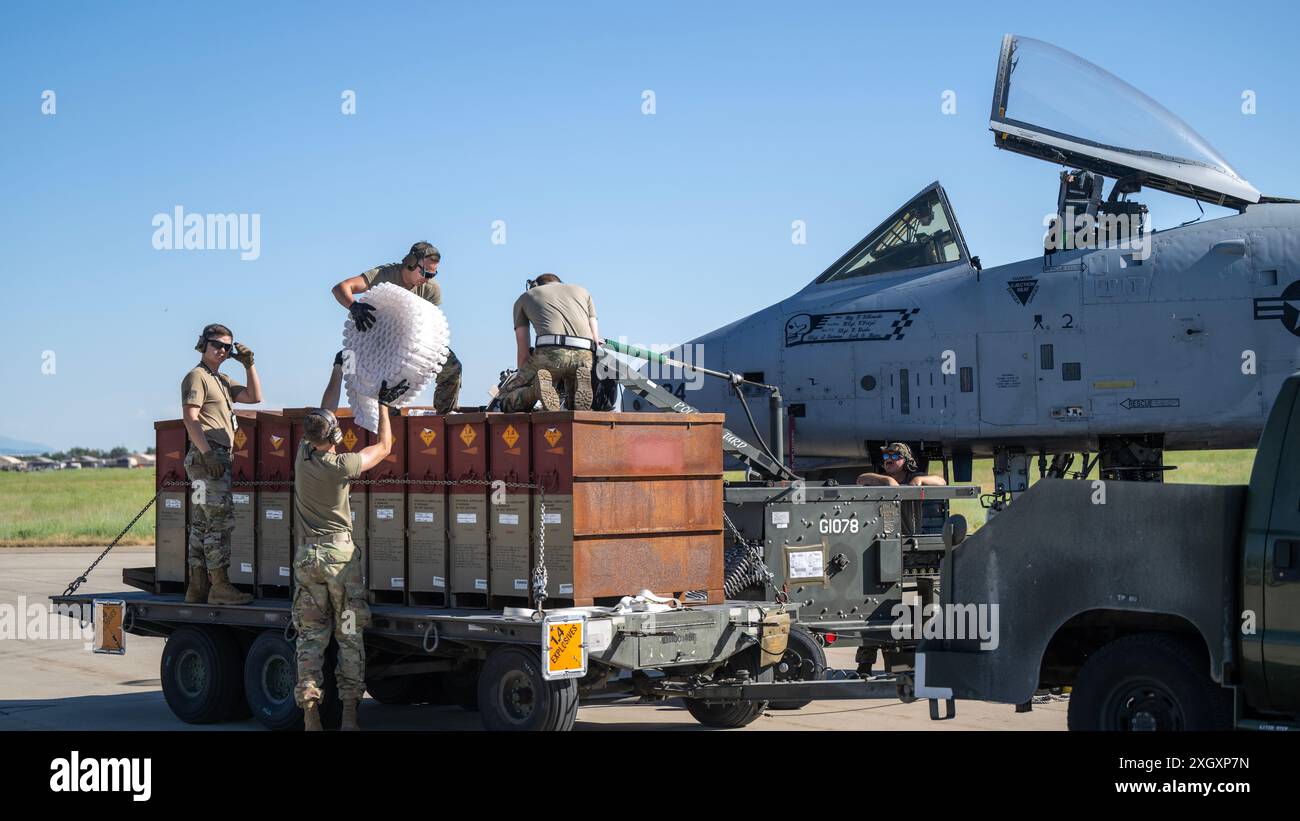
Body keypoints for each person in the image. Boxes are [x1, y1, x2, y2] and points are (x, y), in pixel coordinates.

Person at [293, 356, 408, 731]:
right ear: (334, 436)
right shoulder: (341, 465)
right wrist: (385, 408)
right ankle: (348, 718)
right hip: (340, 559)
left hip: (307, 558)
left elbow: (324, 409)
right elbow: (385, 447)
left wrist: (337, 372)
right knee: (349, 637)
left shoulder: (303, 455)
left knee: (310, 639)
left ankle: (311, 714)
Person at [181, 323, 263, 605]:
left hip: (214, 456)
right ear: (203, 344)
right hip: (209, 457)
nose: (222, 350)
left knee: (203, 523)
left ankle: (198, 586)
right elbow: (190, 418)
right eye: (217, 344)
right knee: (219, 522)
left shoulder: (222, 379)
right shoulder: (197, 377)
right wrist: (206, 453)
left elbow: (254, 397)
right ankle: (220, 586)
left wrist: (249, 365)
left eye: (228, 347)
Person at [331, 241, 461, 413]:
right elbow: (340, 288)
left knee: (452, 368)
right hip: (376, 342)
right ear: (410, 262)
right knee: (349, 363)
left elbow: (432, 326)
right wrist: (354, 307)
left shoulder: (430, 289)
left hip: (410, 343)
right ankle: (330, 420)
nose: (427, 279)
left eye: (432, 274)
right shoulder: (385, 275)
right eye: (425, 273)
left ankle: (444, 418)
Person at [499, 273, 600, 411]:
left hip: (550, 355)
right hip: (584, 356)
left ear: (534, 286)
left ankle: (536, 391)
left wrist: (523, 380)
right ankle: (574, 399)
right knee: (572, 401)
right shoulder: (583, 292)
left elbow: (523, 353)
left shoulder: (525, 297)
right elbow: (595, 338)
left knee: (505, 399)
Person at [856, 442, 946, 487]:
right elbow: (861, 479)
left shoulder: (912, 477)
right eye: (886, 456)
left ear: (906, 461)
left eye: (895, 456)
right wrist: (887, 480)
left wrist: (920, 479)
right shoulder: (881, 478)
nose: (889, 459)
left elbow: (942, 482)